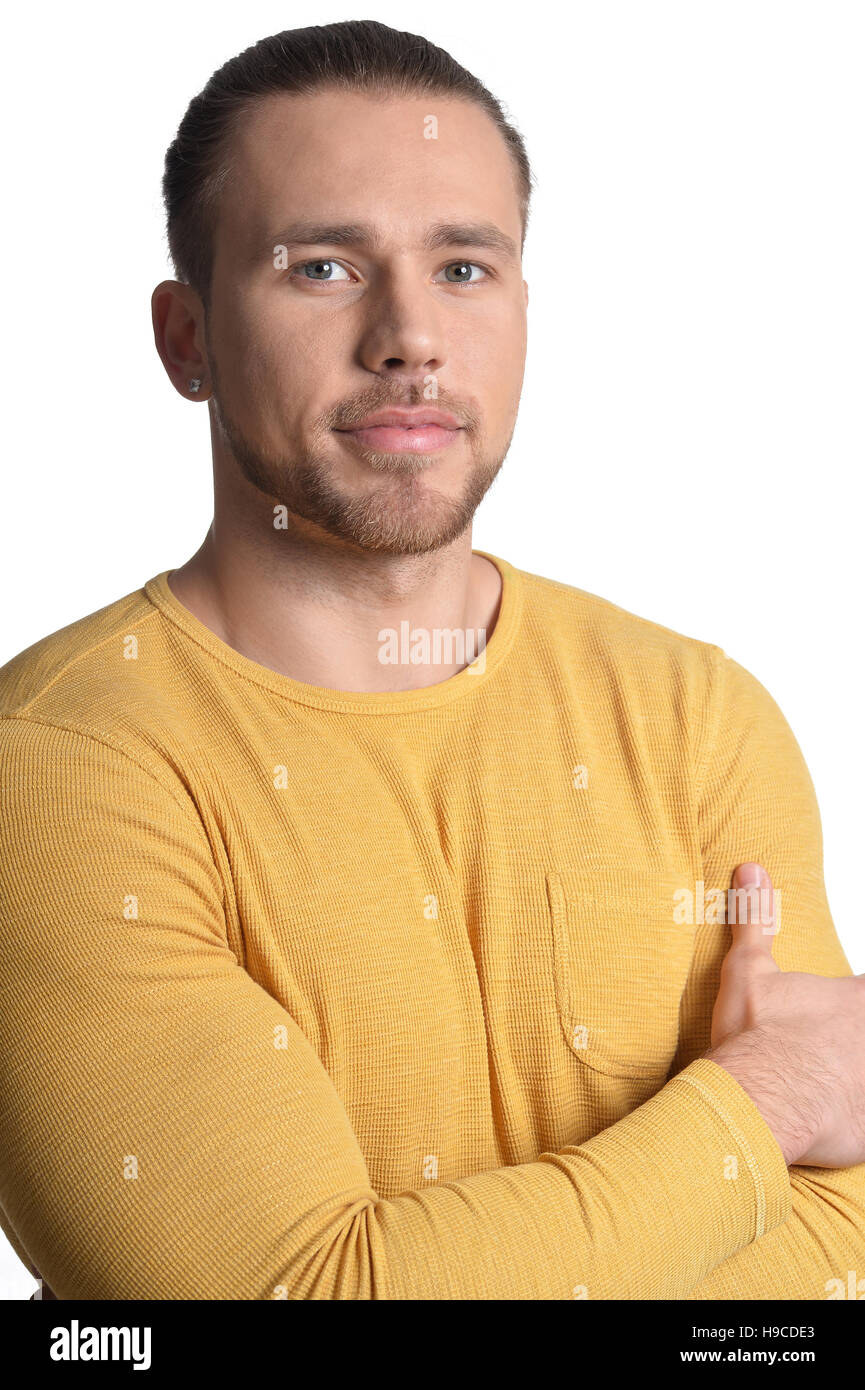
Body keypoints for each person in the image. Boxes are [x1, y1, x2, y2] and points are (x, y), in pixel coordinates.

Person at [2, 19, 863, 1301]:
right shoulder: (61, 772)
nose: (409, 335)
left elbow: (843, 1245)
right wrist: (768, 1098)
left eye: (464, 268)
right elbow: (300, 1298)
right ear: (186, 340)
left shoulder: (696, 716)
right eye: (322, 269)